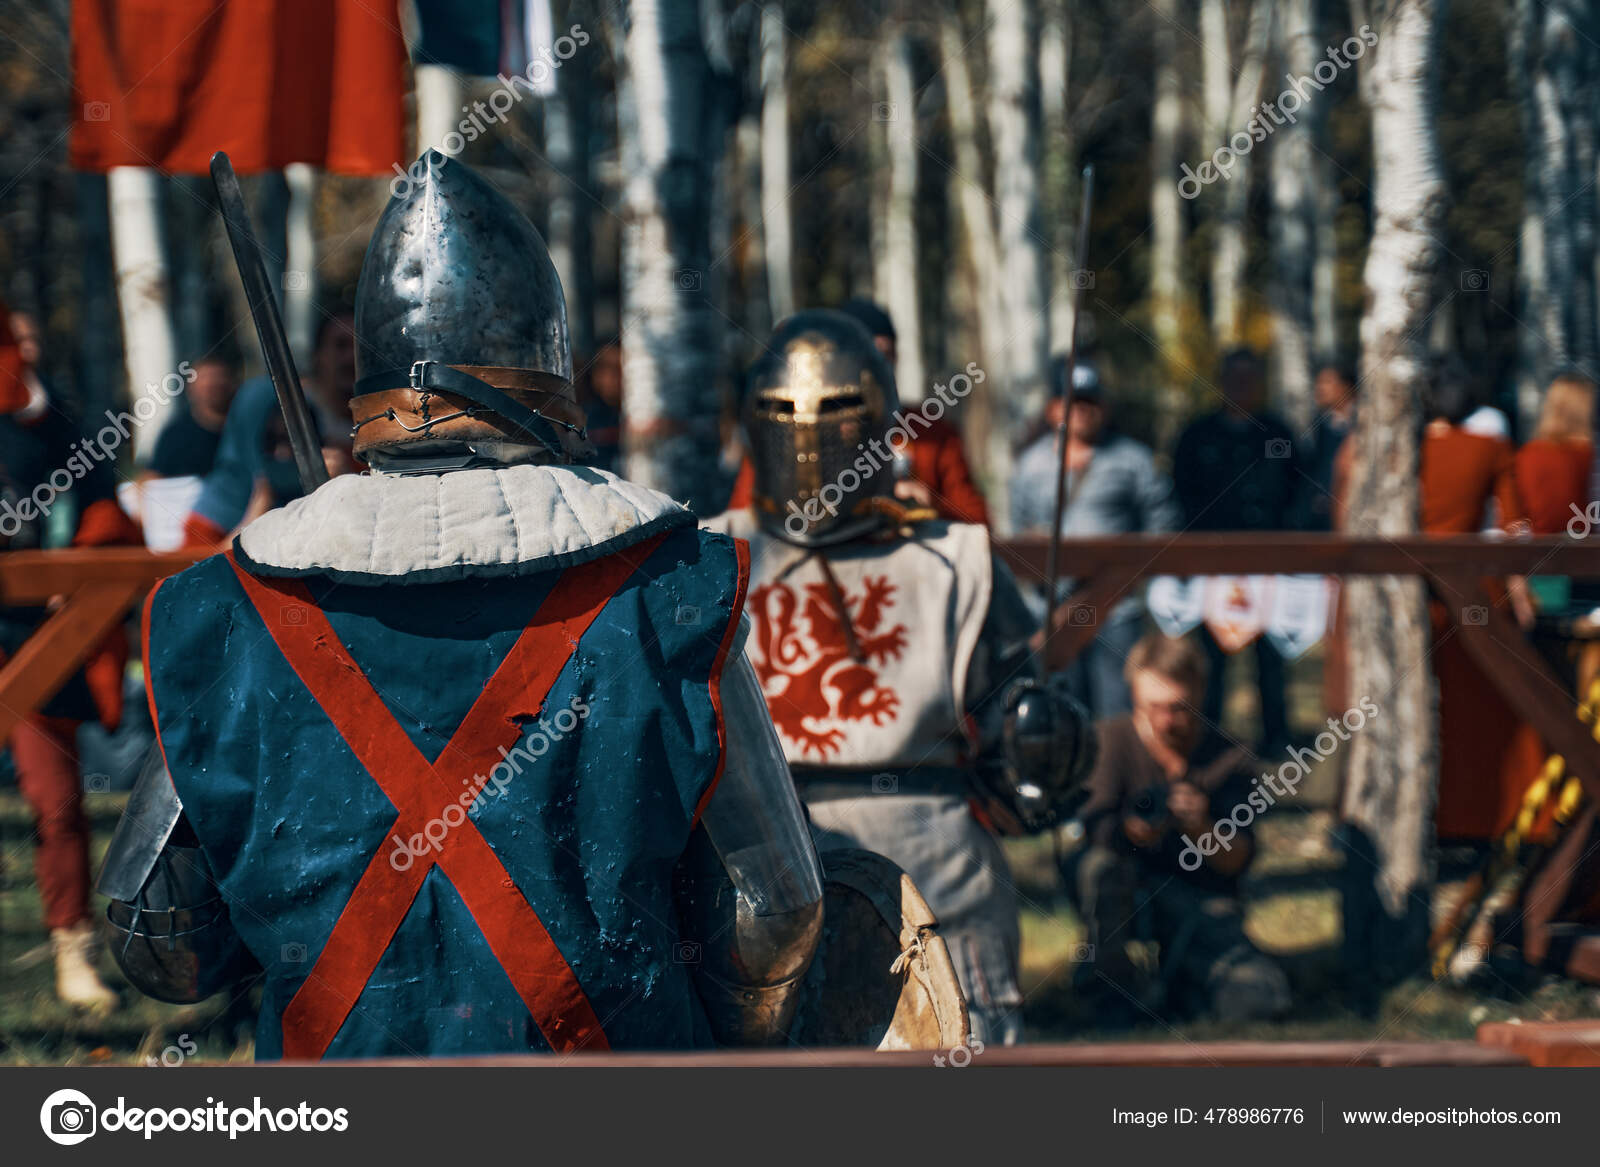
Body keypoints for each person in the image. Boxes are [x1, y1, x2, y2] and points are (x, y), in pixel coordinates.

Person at [99, 151, 824, 1058]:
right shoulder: (669, 583)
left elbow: (155, 933)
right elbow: (775, 908)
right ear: (545, 373)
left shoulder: (229, 607)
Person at [708, 310, 1095, 1045]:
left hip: (935, 860)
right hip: (754, 860)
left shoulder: (953, 560)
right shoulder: (710, 555)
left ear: (882, 425)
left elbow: (1017, 713)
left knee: (958, 1043)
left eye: (837, 412)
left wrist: (1037, 747)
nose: (810, 438)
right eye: (786, 414)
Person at [0, 301, 140, 1011]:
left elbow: (107, 513)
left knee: (58, 804)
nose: (19, 351)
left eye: (26, 339)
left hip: (45, 641)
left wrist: (79, 570)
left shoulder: (66, 431)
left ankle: (72, 950)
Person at [1062, 632, 1290, 1023]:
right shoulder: (1111, 742)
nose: (1166, 721)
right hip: (1123, 897)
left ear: (1201, 693)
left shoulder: (1230, 757)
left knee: (1255, 995)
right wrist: (1132, 834)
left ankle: (1185, 988)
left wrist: (1202, 828)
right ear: (1133, 695)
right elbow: (1092, 833)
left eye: (1179, 709)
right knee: (1100, 868)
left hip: (1199, 904)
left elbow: (1240, 858)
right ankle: (1109, 992)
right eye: (1153, 707)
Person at [1010, 356, 1181, 716]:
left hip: (1116, 609)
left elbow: (1162, 523)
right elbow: (1018, 527)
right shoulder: (1030, 465)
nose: (1083, 412)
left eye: (1091, 402)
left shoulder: (1133, 461)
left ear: (1105, 407)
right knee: (1059, 710)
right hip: (1052, 611)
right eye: (1073, 402)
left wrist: (1133, 567)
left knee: (1117, 709)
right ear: (1053, 409)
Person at [725, 298, 991, 525]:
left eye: (885, 354)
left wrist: (928, 506)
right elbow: (745, 522)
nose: (879, 367)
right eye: (868, 356)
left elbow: (976, 526)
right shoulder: (786, 434)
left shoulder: (930, 434)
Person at [1414, 357, 1538, 842]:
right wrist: (1520, 592)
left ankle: (1436, 822)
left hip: (1417, 598)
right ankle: (1496, 819)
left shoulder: (1405, 451)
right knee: (1489, 713)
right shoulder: (1490, 448)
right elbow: (1514, 525)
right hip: (1475, 594)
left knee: (1434, 711)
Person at [1173, 348, 1300, 748]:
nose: (1242, 386)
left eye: (1250, 378)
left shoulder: (1279, 434)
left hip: (1269, 565)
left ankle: (1276, 739)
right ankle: (1209, 741)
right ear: (1221, 382)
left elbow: (1300, 493)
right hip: (1213, 568)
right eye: (1235, 378)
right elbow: (1181, 497)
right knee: (1211, 661)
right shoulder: (1196, 436)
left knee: (1271, 659)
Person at [179, 310, 359, 547]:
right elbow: (201, 569)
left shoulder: (352, 460)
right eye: (272, 442)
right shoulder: (209, 517)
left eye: (295, 444)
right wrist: (258, 511)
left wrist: (347, 491)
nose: (283, 455)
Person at [145, 356, 239, 479]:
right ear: (191, 389)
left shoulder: (248, 426)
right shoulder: (175, 436)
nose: (213, 384)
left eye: (219, 378)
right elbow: (154, 476)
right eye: (205, 380)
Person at [1298, 355, 1357, 531]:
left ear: (1347, 386)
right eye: (1318, 383)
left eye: (1327, 382)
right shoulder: (1317, 427)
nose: (1320, 389)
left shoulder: (1364, 424)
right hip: (1321, 521)